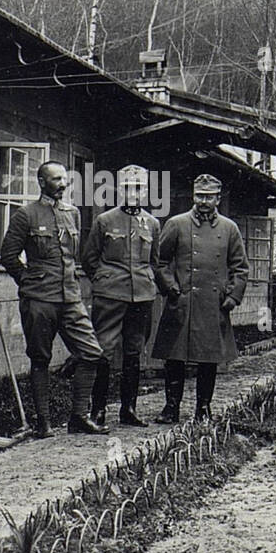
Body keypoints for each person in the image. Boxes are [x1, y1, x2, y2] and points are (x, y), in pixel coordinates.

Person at [0, 160, 108, 436]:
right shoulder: (26, 215)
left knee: (91, 353)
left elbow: (72, 255)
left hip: (70, 298)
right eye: (56, 179)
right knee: (40, 358)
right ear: (42, 182)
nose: (62, 184)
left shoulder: (73, 214)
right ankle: (43, 422)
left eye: (64, 179)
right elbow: (8, 257)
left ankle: (79, 417)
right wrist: (29, 281)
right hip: (39, 300)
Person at [151, 174, 249, 423]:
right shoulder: (176, 224)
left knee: (209, 358)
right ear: (193, 196)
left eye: (209, 197)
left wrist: (232, 297)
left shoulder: (229, 228)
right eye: (200, 196)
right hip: (182, 301)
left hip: (213, 304)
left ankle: (203, 408)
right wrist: (171, 287)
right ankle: (171, 407)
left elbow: (240, 267)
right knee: (174, 356)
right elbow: (160, 262)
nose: (204, 201)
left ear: (218, 198)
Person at [80, 164, 161, 427]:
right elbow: (89, 259)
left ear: (146, 191)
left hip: (141, 296)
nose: (133, 193)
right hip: (110, 296)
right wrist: (105, 282)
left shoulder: (152, 223)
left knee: (134, 351)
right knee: (103, 350)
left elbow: (154, 261)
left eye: (138, 188)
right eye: (128, 188)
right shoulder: (105, 220)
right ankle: (99, 410)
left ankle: (128, 409)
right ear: (120, 190)